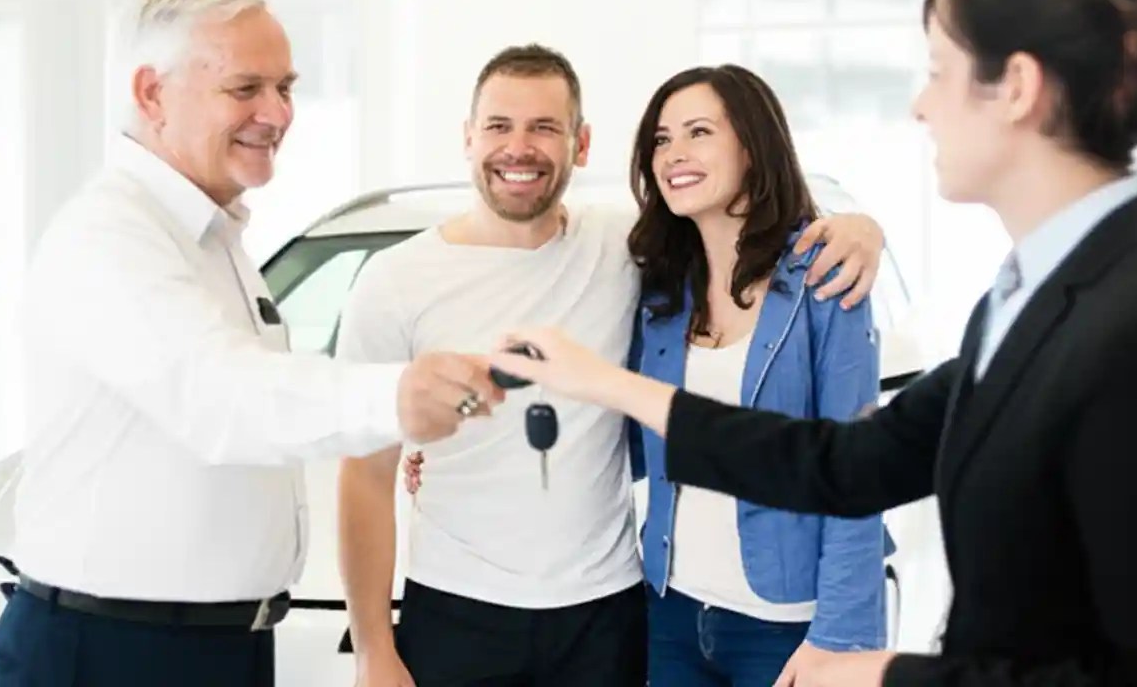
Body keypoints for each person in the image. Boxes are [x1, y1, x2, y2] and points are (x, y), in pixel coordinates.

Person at [487, 0, 1137, 685]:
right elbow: (846, 463)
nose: (920, 106)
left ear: (1015, 86)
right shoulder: (1021, 305)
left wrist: (887, 672)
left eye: (937, 71)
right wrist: (605, 385)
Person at [0, 0, 500, 686]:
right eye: (245, 88)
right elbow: (222, 395)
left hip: (214, 646)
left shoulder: (215, 239)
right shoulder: (110, 237)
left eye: (285, 87)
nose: (279, 113)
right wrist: (395, 398)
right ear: (151, 93)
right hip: (115, 651)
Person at [334, 44, 887, 687]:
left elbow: (748, 233)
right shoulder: (395, 280)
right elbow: (363, 474)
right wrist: (374, 649)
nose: (519, 147)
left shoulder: (629, 250)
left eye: (545, 126)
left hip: (610, 610)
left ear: (582, 143)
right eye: (498, 126)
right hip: (460, 608)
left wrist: (862, 226)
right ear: (467, 138)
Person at [625, 64, 888, 687]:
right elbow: (628, 445)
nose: (674, 155)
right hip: (671, 608)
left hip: (787, 625)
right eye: (661, 140)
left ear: (752, 145)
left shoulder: (825, 277)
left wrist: (843, 638)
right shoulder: (661, 292)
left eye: (698, 133)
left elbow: (858, 473)